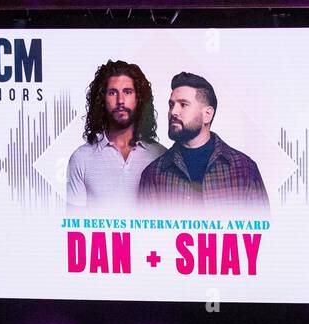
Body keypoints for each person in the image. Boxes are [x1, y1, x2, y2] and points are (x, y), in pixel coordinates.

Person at [137, 72, 269, 211]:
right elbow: (146, 233)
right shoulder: (153, 174)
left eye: (183, 104)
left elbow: (263, 230)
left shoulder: (244, 169)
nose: (173, 112)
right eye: (171, 105)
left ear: (207, 114)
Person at [67, 60, 166, 208]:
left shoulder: (161, 156)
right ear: (101, 100)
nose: (120, 101)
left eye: (127, 92)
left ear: (138, 99)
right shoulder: (81, 158)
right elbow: (74, 225)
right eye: (112, 93)